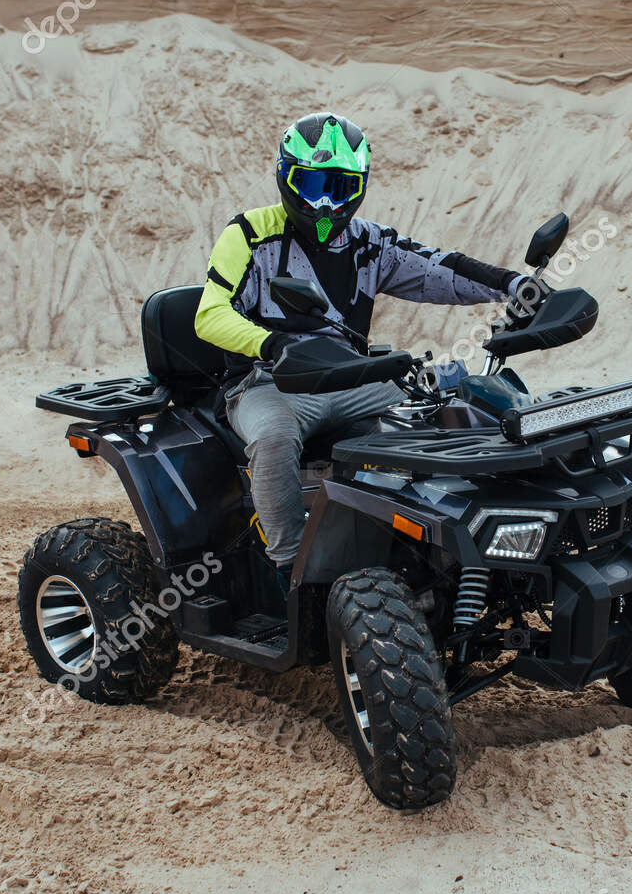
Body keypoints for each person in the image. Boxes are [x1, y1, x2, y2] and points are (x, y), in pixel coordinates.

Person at [194, 111, 537, 586]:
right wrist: (272, 344)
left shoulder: (369, 243)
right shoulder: (250, 234)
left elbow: (439, 268)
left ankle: (451, 545)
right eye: (311, 184)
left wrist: (514, 285)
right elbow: (209, 315)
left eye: (340, 187)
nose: (325, 204)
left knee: (441, 408)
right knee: (273, 438)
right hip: (269, 381)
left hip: (350, 377)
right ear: (285, 176)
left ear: (360, 188)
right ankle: (292, 570)